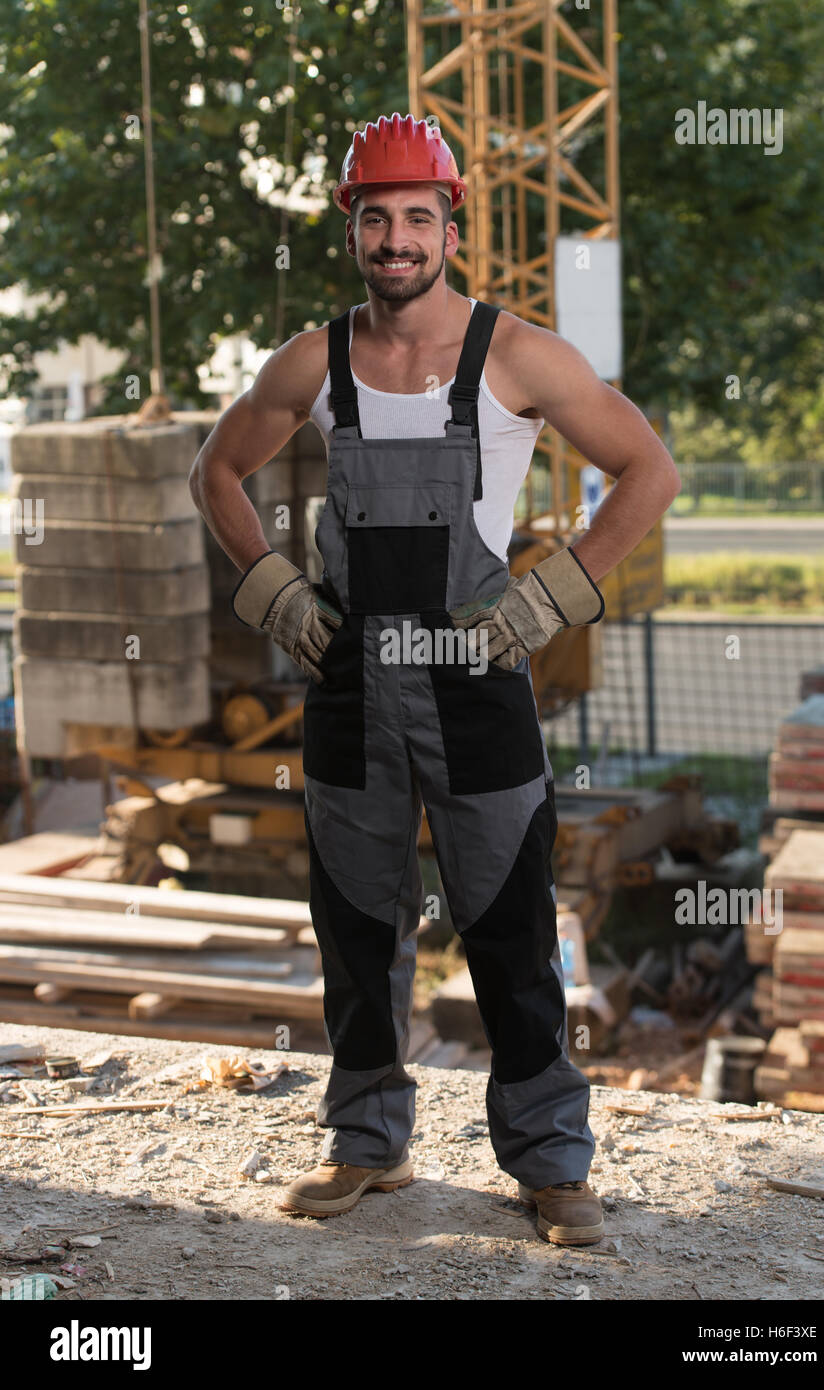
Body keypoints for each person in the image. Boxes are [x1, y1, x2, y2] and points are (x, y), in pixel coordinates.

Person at [189, 112, 680, 1246]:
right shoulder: (314, 359)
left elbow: (646, 467)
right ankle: (368, 1144)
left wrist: (551, 595)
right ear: (351, 229)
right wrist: (278, 596)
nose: (396, 237)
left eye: (418, 215)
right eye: (377, 217)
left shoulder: (519, 355)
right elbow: (217, 468)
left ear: (451, 226)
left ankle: (552, 1163)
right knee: (356, 928)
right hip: (352, 685)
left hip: (478, 679)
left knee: (508, 924)